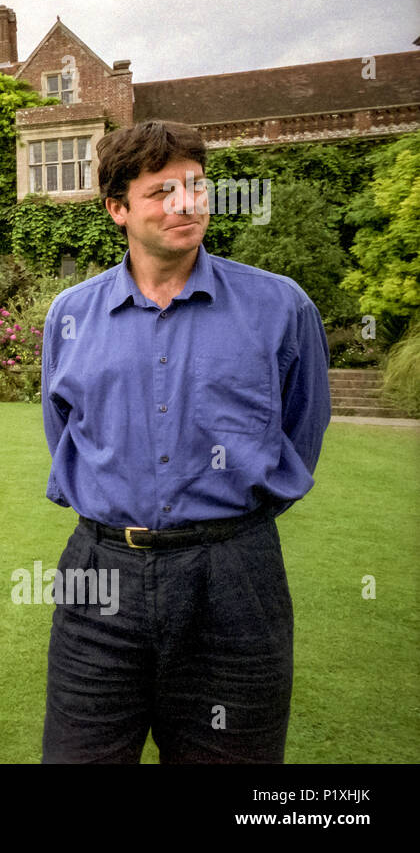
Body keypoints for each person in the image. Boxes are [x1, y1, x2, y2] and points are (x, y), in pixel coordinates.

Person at [40, 120, 331, 763]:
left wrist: (225, 530)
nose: (187, 203)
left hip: (234, 581)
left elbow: (302, 431)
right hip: (101, 581)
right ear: (117, 208)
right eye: (162, 190)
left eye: (196, 186)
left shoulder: (280, 308)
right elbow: (65, 435)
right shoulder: (70, 317)